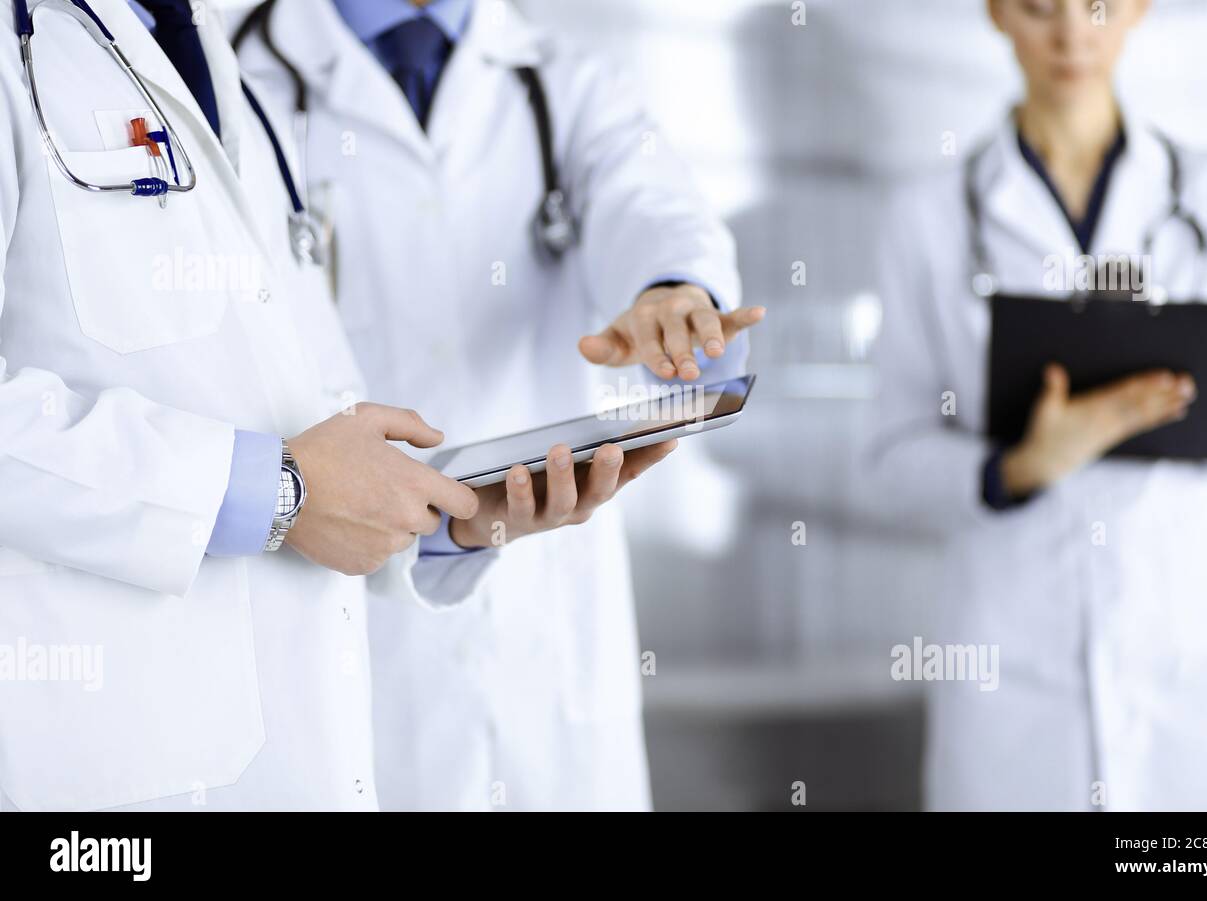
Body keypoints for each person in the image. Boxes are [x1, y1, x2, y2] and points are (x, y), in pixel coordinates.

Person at [0, 0, 670, 811]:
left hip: (303, 762)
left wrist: (448, 518)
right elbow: (287, 476)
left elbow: (306, 410)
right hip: (108, 788)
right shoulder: (26, 51)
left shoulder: (210, 59)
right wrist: (276, 490)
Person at [234, 0, 761, 810]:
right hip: (343, 636)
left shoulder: (565, 82)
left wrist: (672, 295)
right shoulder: (237, 78)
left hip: (547, 642)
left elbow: (655, 209)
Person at [863, 0, 1207, 810]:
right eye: (1038, 8)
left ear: (1138, 9)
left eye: (1097, 5)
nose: (1071, 34)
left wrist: (1185, 414)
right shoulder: (928, 217)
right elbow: (891, 461)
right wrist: (1017, 466)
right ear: (996, 12)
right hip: (1015, 678)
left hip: (1200, 663)